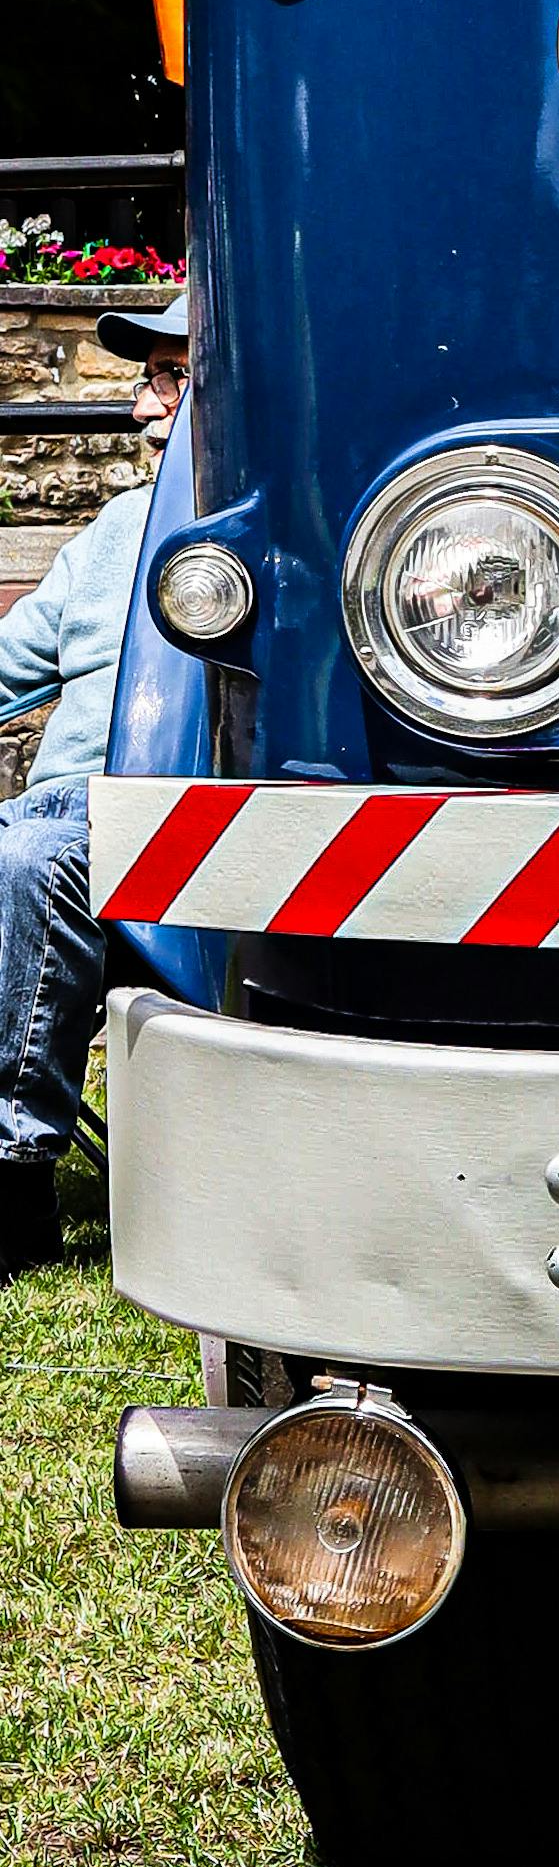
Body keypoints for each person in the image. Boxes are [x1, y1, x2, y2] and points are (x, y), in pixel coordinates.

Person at [0, 292, 184, 1276]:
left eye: (163, 378)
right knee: (21, 846)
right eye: (148, 380)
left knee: (25, 860)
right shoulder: (114, 528)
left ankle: (12, 1173)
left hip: (166, 826)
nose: (141, 408)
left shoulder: (284, 524)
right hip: (44, 815)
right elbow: (10, 661)